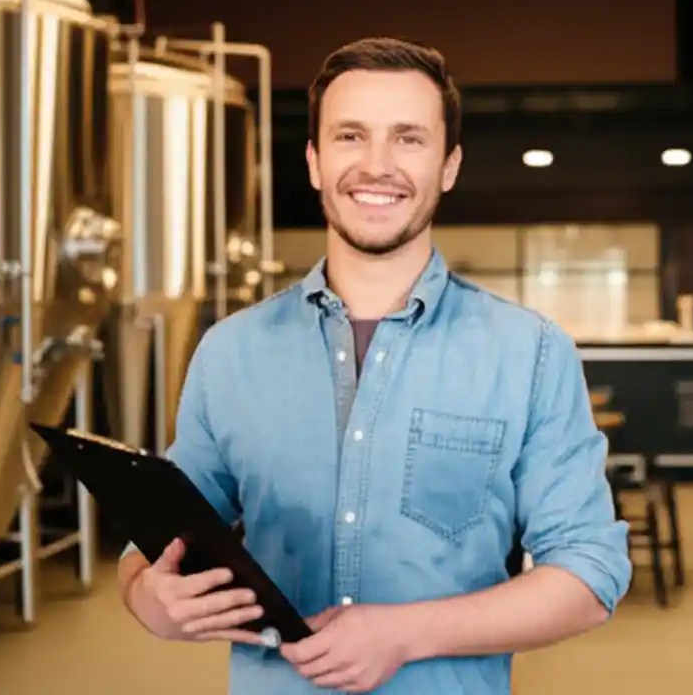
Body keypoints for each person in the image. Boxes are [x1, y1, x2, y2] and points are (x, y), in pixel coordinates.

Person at [117, 36, 631, 694]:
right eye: (351, 136)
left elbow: (590, 574)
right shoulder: (230, 351)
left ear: (449, 165)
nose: (377, 165)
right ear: (314, 160)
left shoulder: (528, 353)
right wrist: (143, 595)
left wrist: (404, 633)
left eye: (409, 139)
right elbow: (161, 534)